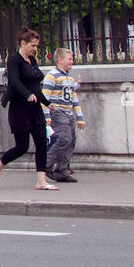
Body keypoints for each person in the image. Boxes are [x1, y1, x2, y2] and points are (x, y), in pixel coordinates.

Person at [0, 28, 58, 190]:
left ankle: (41, 181)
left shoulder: (32, 61)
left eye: (36, 46)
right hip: (19, 109)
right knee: (22, 146)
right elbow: (14, 81)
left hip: (35, 109)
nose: (35, 49)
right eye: (33, 46)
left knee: (42, 143)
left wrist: (47, 103)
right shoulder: (14, 60)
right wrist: (26, 94)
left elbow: (35, 87)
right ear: (23, 43)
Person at [42, 47, 85, 182]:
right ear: (60, 60)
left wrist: (79, 118)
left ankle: (62, 170)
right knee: (64, 138)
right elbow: (44, 97)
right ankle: (46, 163)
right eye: (70, 59)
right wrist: (46, 116)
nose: (72, 61)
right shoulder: (51, 76)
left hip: (68, 114)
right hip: (57, 113)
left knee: (71, 141)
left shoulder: (69, 78)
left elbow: (73, 98)